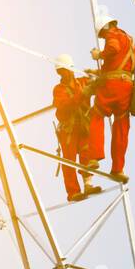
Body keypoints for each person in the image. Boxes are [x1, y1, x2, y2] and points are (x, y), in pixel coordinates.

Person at [86, 11, 135, 184]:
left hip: (113, 87)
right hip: (127, 87)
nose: (103, 36)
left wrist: (98, 55)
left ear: (106, 26)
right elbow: (118, 63)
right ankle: (118, 169)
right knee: (121, 126)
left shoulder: (112, 34)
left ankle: (93, 157)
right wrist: (96, 72)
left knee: (96, 114)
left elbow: (112, 49)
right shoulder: (129, 38)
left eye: (102, 34)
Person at [51, 56, 100, 204]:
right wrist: (82, 94)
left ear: (70, 69)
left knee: (86, 154)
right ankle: (73, 192)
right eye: (60, 72)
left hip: (83, 126)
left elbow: (98, 83)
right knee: (69, 160)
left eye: (64, 70)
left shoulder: (82, 82)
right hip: (69, 129)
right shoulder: (59, 89)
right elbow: (63, 105)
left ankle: (88, 185)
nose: (63, 74)